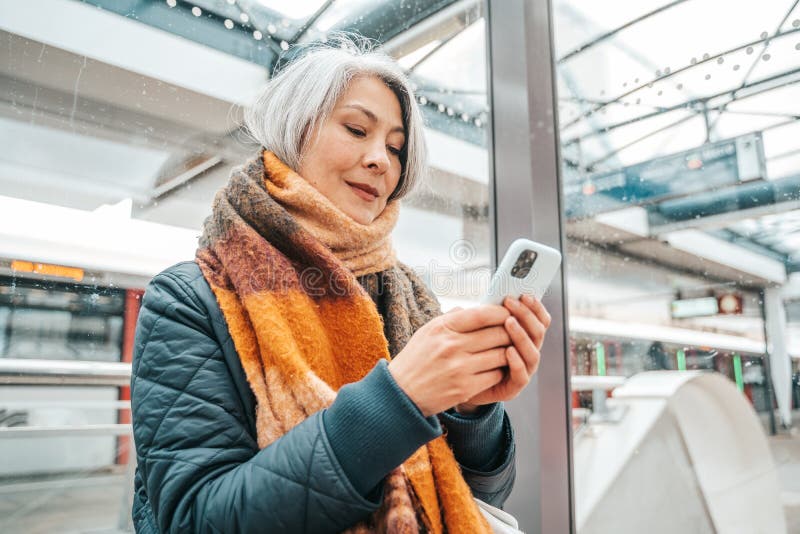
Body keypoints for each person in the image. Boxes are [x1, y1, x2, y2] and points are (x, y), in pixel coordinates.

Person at [130, 35, 551, 534]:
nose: (381, 160)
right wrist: (400, 399)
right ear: (294, 130)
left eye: (396, 147)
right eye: (356, 129)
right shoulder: (190, 300)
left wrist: (472, 411)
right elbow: (197, 519)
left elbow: (474, 496)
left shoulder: (410, 299)